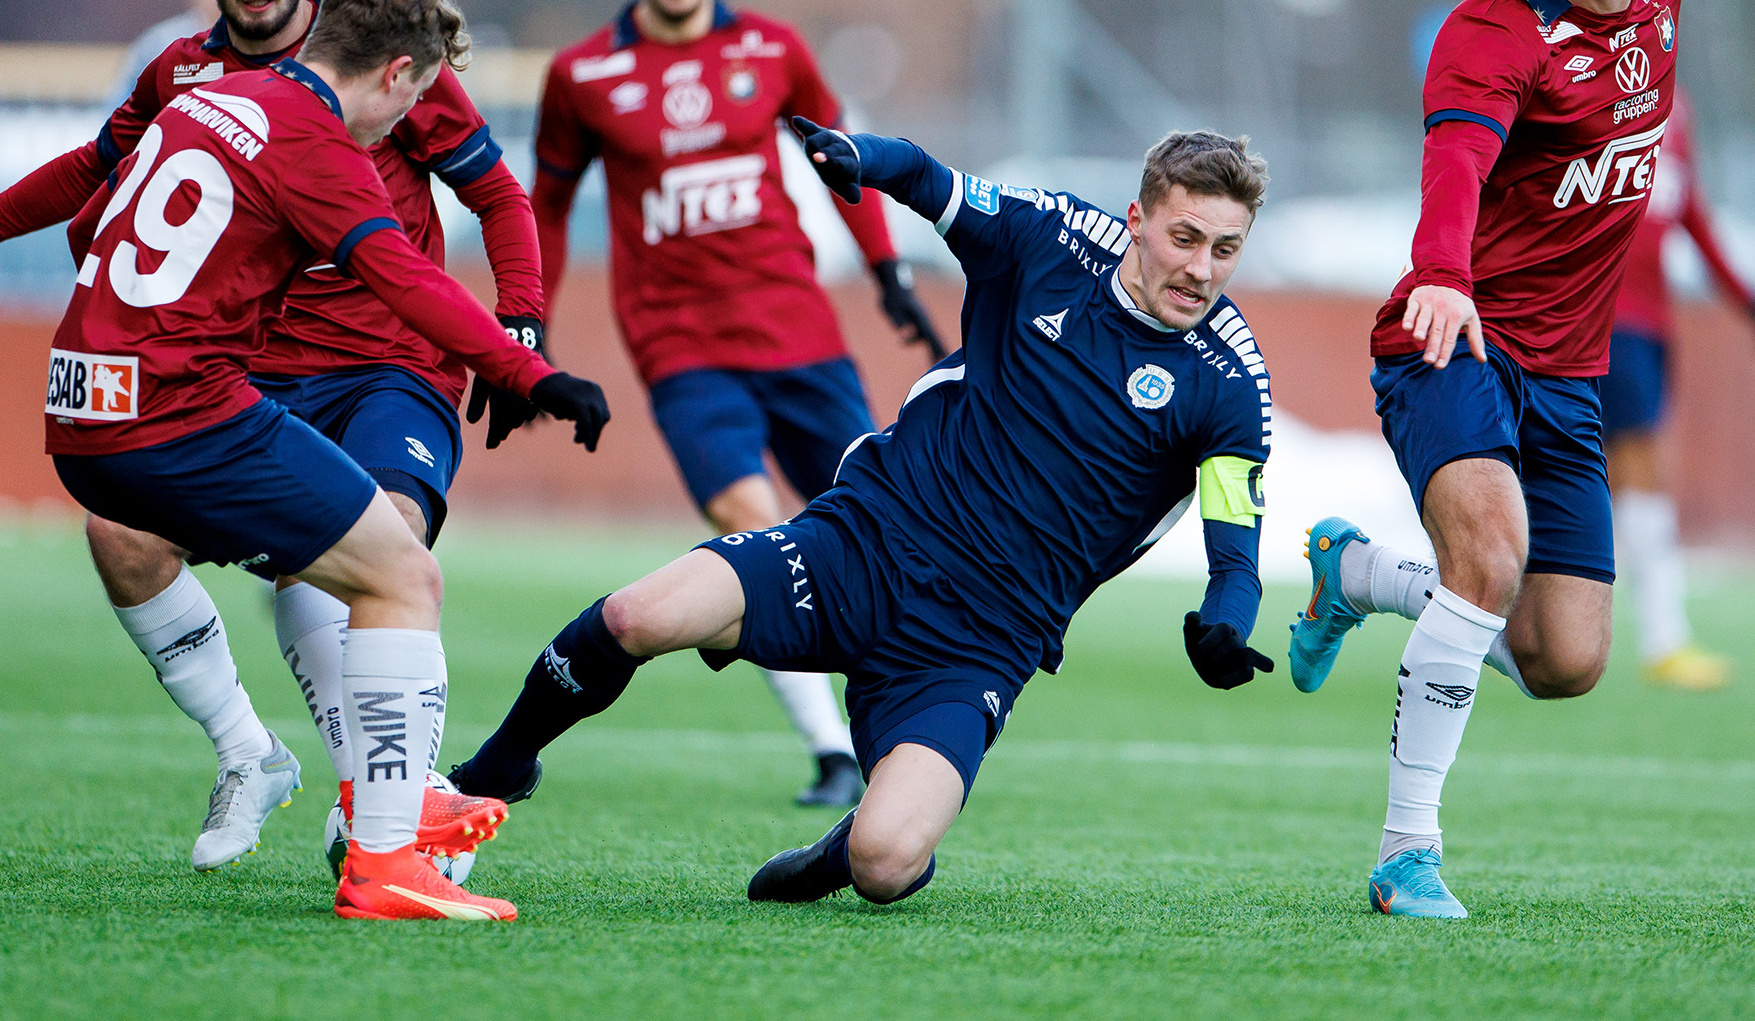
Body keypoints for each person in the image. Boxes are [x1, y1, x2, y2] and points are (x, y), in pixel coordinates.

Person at [0, 0, 555, 875]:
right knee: (120, 535)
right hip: (246, 374)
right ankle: (249, 752)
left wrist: (519, 328)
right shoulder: (182, 73)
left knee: (380, 544)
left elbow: (495, 197)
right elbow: (93, 172)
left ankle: (389, 802)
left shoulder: (376, 52)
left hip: (390, 367)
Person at [451, 123, 1275, 905]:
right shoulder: (1052, 239)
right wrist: (857, 156)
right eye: (1185, 239)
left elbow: (1236, 557)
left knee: (887, 865)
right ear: (1138, 219)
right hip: (863, 544)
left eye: (1226, 250)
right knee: (636, 615)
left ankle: (845, 845)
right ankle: (487, 776)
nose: (1202, 270)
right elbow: (926, 179)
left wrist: (1225, 624)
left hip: (980, 641)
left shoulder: (1231, 383)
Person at [54, 0, 604, 919]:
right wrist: (533, 371)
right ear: (395, 74)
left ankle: (341, 794)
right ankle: (389, 843)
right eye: (414, 97)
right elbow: (407, 276)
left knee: (346, 549)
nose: (409, 122)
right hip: (184, 409)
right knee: (400, 572)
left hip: (89, 408)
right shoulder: (313, 140)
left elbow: (91, 222)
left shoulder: (207, 95)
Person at [464, 0, 946, 808]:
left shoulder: (774, 50)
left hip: (798, 331)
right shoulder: (583, 75)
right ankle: (831, 749)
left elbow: (843, 165)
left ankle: (884, 724)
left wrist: (887, 270)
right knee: (746, 518)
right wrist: (530, 330)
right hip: (682, 350)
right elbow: (546, 209)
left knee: (877, 526)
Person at [1286, 0, 1688, 918]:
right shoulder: (1494, 30)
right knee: (1488, 552)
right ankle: (1403, 852)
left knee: (1564, 661)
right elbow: (1452, 170)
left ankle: (1355, 575)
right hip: (1449, 338)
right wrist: (1442, 277)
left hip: (1569, 374)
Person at [1602, 88, 1755, 689]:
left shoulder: (1677, 112)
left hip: (1652, 325)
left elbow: (1691, 213)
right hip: (1596, 317)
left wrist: (1743, 297)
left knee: (1625, 472)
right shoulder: (1585, 81)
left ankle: (1659, 638)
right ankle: (1662, 638)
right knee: (1623, 468)